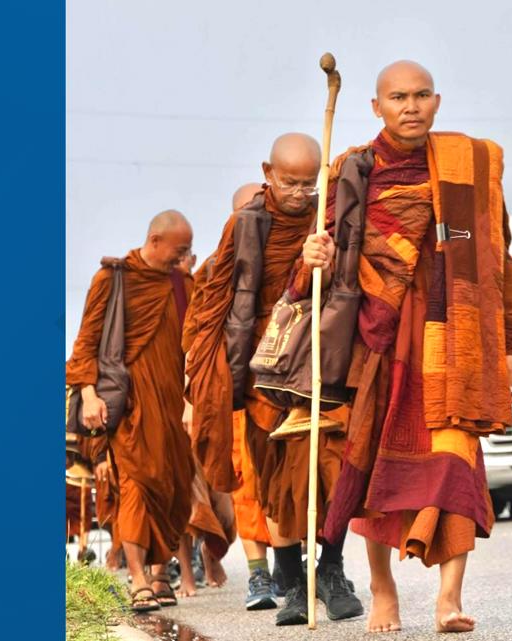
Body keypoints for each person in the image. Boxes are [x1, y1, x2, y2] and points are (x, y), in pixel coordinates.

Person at [303, 60, 512, 633]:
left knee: (458, 461)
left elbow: (496, 258)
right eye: (398, 97)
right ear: (376, 107)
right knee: (378, 471)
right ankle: (383, 589)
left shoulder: (470, 165)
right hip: (378, 345)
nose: (411, 106)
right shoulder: (352, 169)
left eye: (421, 95)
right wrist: (316, 259)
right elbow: (316, 271)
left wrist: (510, 346)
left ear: (438, 100)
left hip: (459, 340)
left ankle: (449, 599)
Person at [183, 135, 363, 626]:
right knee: (276, 482)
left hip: (321, 360)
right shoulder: (244, 223)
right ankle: (294, 586)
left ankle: (331, 569)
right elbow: (214, 300)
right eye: (290, 182)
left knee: (329, 469)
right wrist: (209, 375)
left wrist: (325, 259)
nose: (301, 193)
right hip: (265, 368)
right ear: (268, 172)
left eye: (310, 183)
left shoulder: (328, 214)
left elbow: (350, 282)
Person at [66, 210, 197, 612]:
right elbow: (86, 340)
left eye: (187, 252)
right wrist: (88, 395)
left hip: (173, 407)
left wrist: (194, 401)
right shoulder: (113, 279)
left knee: (173, 487)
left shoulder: (182, 283)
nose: (183, 258)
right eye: (178, 251)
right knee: (137, 486)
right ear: (154, 241)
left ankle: (160, 572)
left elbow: (195, 344)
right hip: (129, 404)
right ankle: (138, 578)